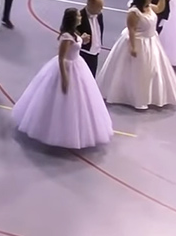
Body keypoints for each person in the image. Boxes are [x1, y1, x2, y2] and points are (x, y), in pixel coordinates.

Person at [12, 9, 114, 149]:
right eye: (78, 16)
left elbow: (75, 46)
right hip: (68, 67)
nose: (80, 17)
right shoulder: (66, 37)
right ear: (72, 19)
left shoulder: (74, 33)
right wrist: (65, 77)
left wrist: (82, 39)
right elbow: (61, 58)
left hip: (77, 64)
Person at [96, 0, 176, 109]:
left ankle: (150, 95)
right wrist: (133, 46)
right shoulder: (134, 12)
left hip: (151, 42)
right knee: (137, 71)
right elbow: (131, 29)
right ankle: (133, 96)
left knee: (153, 69)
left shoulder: (149, 7)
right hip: (140, 42)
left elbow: (159, 8)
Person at [76, 0, 107, 75]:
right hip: (83, 53)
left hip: (95, 52)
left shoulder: (99, 15)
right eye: (99, 7)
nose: (101, 9)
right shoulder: (79, 17)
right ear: (91, 5)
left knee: (91, 76)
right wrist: (81, 39)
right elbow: (70, 33)